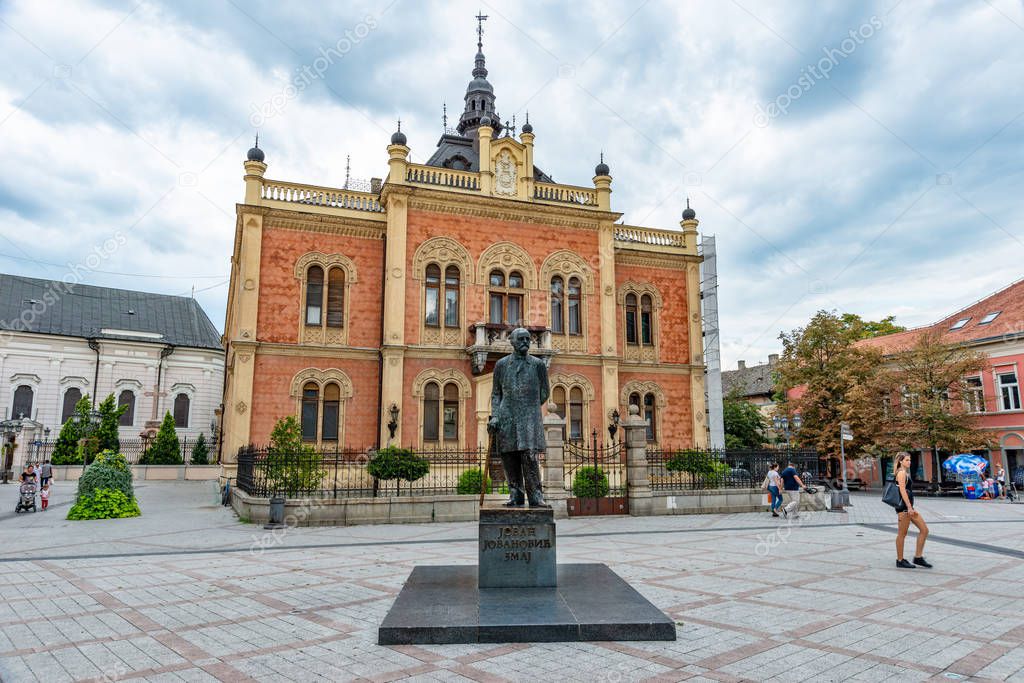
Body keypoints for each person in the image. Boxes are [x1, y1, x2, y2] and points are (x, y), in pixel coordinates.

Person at [488, 327, 550, 508]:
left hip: (529, 418)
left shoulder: (538, 365)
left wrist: (527, 405)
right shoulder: (501, 365)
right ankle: (515, 495)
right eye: (521, 339)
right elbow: (496, 394)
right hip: (506, 417)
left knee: (529, 457)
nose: (525, 342)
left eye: (527, 339)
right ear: (512, 342)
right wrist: (496, 416)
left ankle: (535, 496)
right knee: (509, 457)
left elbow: (544, 392)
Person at [893, 451, 931, 569]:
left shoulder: (904, 473)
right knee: (902, 535)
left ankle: (918, 558)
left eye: (910, 460)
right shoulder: (901, 473)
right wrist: (909, 507)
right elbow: (902, 491)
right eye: (906, 460)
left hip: (909, 508)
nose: (909, 462)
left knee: (924, 530)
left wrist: (910, 507)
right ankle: (900, 560)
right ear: (900, 461)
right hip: (904, 509)